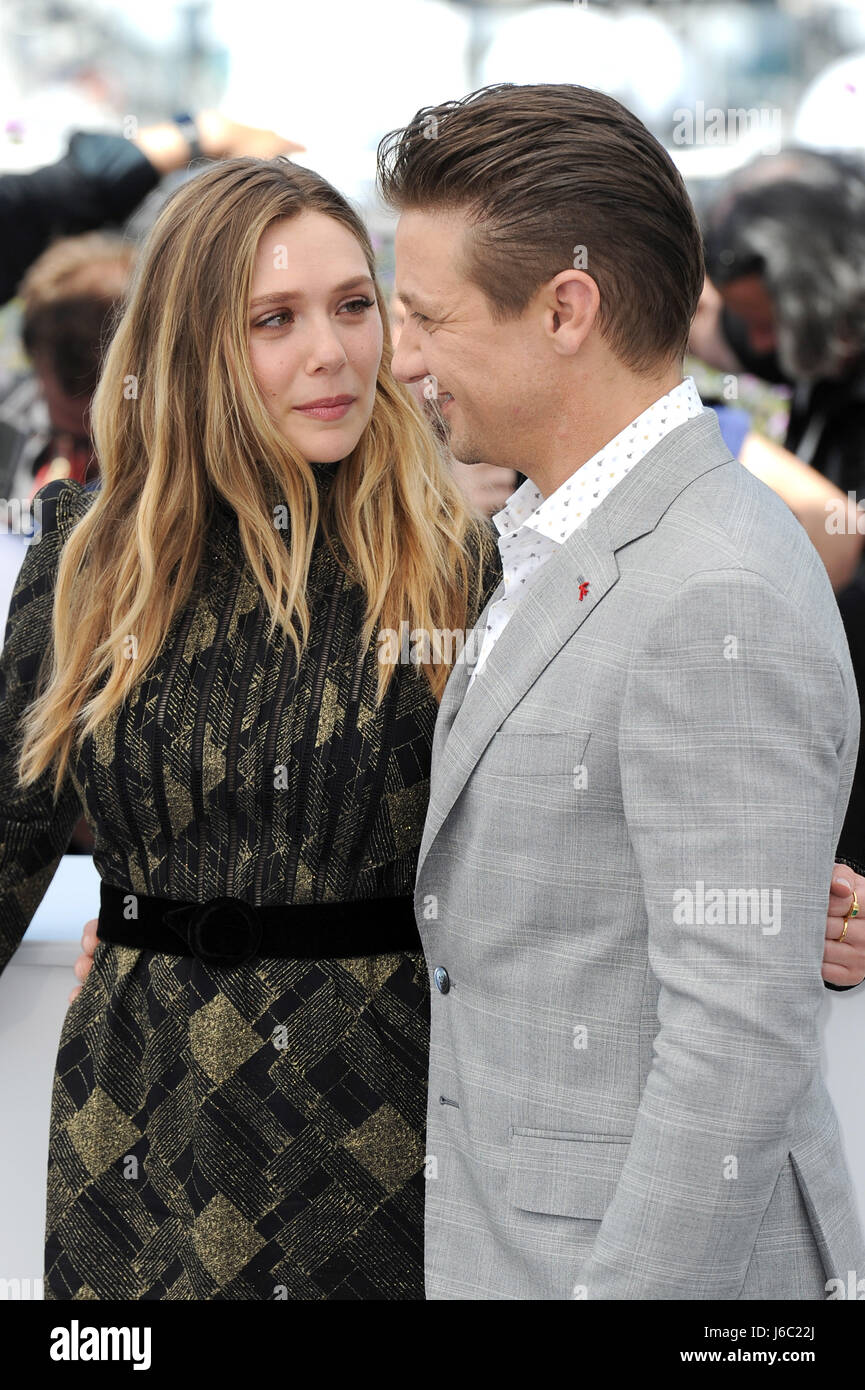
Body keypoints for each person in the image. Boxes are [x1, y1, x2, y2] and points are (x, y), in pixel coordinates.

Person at [376, 81, 865, 1300]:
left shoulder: (714, 590)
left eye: (428, 317)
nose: (400, 357)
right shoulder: (559, 536)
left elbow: (738, 1047)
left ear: (565, 309)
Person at [0, 153, 499, 1300]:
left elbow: (548, 838)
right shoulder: (87, 557)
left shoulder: (454, 562)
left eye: (353, 305)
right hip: (132, 1133)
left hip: (378, 1125)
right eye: (275, 319)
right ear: (192, 346)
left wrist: (779, 904)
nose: (331, 352)